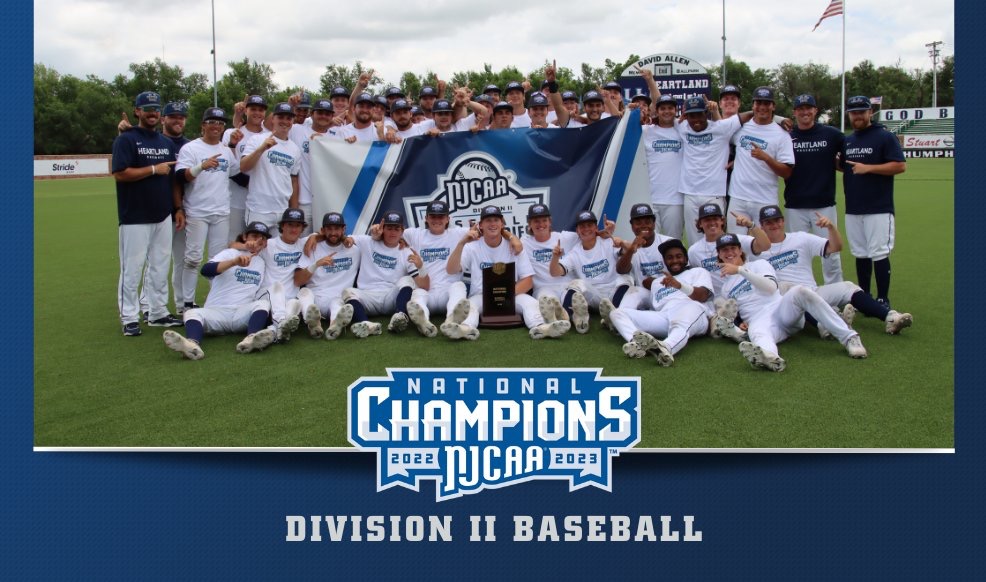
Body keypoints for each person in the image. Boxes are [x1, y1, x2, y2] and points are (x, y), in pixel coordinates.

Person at [715, 233, 868, 372]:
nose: (729, 253)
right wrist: (739, 322)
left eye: (733, 248)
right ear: (719, 255)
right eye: (724, 250)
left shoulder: (759, 264)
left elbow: (770, 288)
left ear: (740, 250)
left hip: (781, 310)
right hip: (759, 320)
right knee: (758, 332)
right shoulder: (726, 288)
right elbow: (738, 311)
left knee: (800, 291)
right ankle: (770, 358)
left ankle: (850, 338)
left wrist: (741, 270)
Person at [756, 205, 913, 335]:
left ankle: (890, 318)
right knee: (787, 288)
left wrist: (831, 227)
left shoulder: (800, 238)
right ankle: (828, 324)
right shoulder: (756, 250)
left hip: (813, 291)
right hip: (787, 302)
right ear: (761, 226)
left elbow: (836, 246)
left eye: (777, 220)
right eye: (768, 223)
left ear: (783, 221)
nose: (774, 225)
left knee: (848, 287)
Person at [112, 90, 181, 336]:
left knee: (160, 266)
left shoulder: (166, 143)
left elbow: (172, 180)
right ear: (137, 111)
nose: (152, 113)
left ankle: (158, 312)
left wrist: (177, 209)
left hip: (162, 214)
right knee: (132, 268)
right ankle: (129, 316)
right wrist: (153, 169)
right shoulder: (126, 140)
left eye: (156, 109)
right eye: (147, 109)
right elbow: (120, 173)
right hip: (135, 216)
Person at [445, 205, 567, 340]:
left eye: (496, 220)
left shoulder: (515, 246)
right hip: (481, 296)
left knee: (531, 303)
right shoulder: (472, 247)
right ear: (481, 225)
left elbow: (528, 281)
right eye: (488, 220)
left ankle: (541, 327)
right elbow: (451, 270)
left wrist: (505, 295)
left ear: (502, 223)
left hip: (511, 295)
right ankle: (466, 328)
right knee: (470, 306)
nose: (492, 224)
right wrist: (461, 243)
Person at [161, 222, 276, 359]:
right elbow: (206, 270)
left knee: (263, 304)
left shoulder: (263, 262)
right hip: (217, 312)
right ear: (245, 237)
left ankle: (251, 339)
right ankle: (192, 345)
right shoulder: (229, 253)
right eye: (254, 236)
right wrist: (234, 262)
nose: (258, 241)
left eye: (263, 238)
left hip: (242, 314)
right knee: (192, 313)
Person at [840, 95, 907, 308]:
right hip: (854, 207)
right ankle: (865, 297)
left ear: (870, 113)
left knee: (878, 252)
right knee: (860, 253)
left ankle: (883, 299)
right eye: (854, 112)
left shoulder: (884, 137)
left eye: (862, 111)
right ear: (849, 114)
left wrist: (868, 168)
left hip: (878, 207)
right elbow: (844, 165)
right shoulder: (848, 139)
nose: (858, 116)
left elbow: (899, 165)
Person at [174, 106, 239, 313]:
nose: (216, 127)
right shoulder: (191, 148)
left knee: (218, 259)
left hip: (221, 212)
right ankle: (187, 303)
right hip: (197, 211)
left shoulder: (227, 151)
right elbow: (180, 176)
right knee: (192, 258)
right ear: (203, 125)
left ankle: (215, 300)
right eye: (212, 122)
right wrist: (201, 166)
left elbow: (239, 175)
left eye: (220, 123)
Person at [609, 238, 713, 367]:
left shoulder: (697, 272)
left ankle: (666, 348)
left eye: (679, 256)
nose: (674, 260)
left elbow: (702, 296)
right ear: (665, 261)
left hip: (693, 309)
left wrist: (680, 286)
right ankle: (637, 343)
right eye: (669, 257)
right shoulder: (658, 282)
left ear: (686, 259)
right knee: (617, 313)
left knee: (679, 322)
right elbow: (654, 305)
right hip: (664, 316)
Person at [784, 93, 846, 284]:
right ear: (794, 112)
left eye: (808, 108)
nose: (805, 112)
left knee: (831, 252)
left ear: (815, 111)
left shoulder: (832, 134)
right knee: (795, 253)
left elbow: (850, 152)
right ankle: (799, 292)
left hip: (824, 204)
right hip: (795, 205)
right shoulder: (787, 135)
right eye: (800, 109)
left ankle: (836, 296)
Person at [549, 210, 643, 334]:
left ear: (596, 227)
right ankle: (568, 317)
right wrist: (555, 257)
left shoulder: (608, 242)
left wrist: (622, 242)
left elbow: (633, 250)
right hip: (592, 295)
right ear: (577, 230)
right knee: (576, 283)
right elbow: (555, 272)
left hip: (613, 291)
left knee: (625, 278)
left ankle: (614, 314)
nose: (586, 229)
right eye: (582, 226)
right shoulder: (575, 252)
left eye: (589, 225)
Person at [676, 95, 752, 244]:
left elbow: (751, 113)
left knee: (716, 240)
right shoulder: (681, 127)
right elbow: (657, 116)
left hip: (714, 194)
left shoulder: (721, 127)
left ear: (706, 113)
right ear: (686, 116)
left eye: (699, 114)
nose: (696, 119)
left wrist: (779, 120)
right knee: (694, 242)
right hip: (690, 193)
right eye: (691, 116)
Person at [342, 211, 428, 338]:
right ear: (382, 228)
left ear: (402, 230)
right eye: (389, 228)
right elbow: (347, 240)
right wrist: (348, 240)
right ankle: (366, 324)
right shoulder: (367, 242)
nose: (392, 232)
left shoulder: (406, 251)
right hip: (367, 296)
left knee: (407, 280)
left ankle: (400, 316)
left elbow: (425, 285)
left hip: (390, 298)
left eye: (396, 228)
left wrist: (421, 267)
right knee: (347, 292)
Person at [725, 87, 795, 233]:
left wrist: (766, 158)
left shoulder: (782, 135)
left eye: (766, 103)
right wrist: (735, 160)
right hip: (738, 197)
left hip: (765, 199)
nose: (762, 107)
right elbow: (719, 133)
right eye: (758, 103)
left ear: (773, 106)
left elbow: (787, 173)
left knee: (766, 248)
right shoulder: (741, 127)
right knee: (737, 245)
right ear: (753, 105)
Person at [293, 212, 360, 340]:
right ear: (322, 230)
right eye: (329, 229)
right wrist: (316, 264)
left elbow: (378, 240)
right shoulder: (312, 247)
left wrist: (402, 241)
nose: (333, 232)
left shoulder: (355, 250)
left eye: (337, 228)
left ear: (344, 229)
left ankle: (334, 325)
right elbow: (297, 280)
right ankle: (314, 323)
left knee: (337, 304)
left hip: (338, 297)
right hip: (315, 297)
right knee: (304, 292)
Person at [238, 102, 301, 231]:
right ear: (273, 119)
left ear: (293, 121)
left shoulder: (295, 149)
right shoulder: (257, 140)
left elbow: (293, 180)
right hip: (259, 209)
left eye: (289, 118)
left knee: (277, 250)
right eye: (281, 117)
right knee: (255, 249)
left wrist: (294, 211)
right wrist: (261, 149)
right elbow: (243, 167)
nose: (285, 121)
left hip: (282, 209)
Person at [639, 71, 684, 238]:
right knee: (650, 243)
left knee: (673, 242)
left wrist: (651, 80)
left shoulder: (682, 129)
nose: (666, 111)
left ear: (676, 110)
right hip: (651, 197)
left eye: (670, 108)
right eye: (662, 108)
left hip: (675, 200)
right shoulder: (646, 131)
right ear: (656, 111)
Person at [223, 94, 269, 242]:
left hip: (260, 201)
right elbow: (228, 164)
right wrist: (247, 183)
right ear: (245, 111)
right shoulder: (232, 133)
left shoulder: (269, 136)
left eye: (261, 110)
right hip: (236, 199)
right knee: (234, 241)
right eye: (253, 109)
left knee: (255, 243)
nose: (257, 113)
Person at [615, 203, 673, 309]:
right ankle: (618, 312)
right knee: (626, 284)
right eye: (638, 222)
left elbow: (683, 272)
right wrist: (631, 249)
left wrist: (656, 282)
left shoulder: (669, 242)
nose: (643, 226)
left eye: (647, 222)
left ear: (654, 224)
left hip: (668, 290)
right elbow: (621, 270)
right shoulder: (630, 248)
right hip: (645, 293)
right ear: (632, 226)